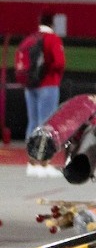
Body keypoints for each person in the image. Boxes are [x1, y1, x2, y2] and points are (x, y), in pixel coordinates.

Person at [15, 11, 66, 179]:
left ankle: (31, 163)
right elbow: (59, 62)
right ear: (52, 24)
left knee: (33, 122)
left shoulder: (30, 39)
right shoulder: (52, 39)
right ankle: (44, 163)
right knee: (47, 124)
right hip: (48, 85)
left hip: (30, 85)